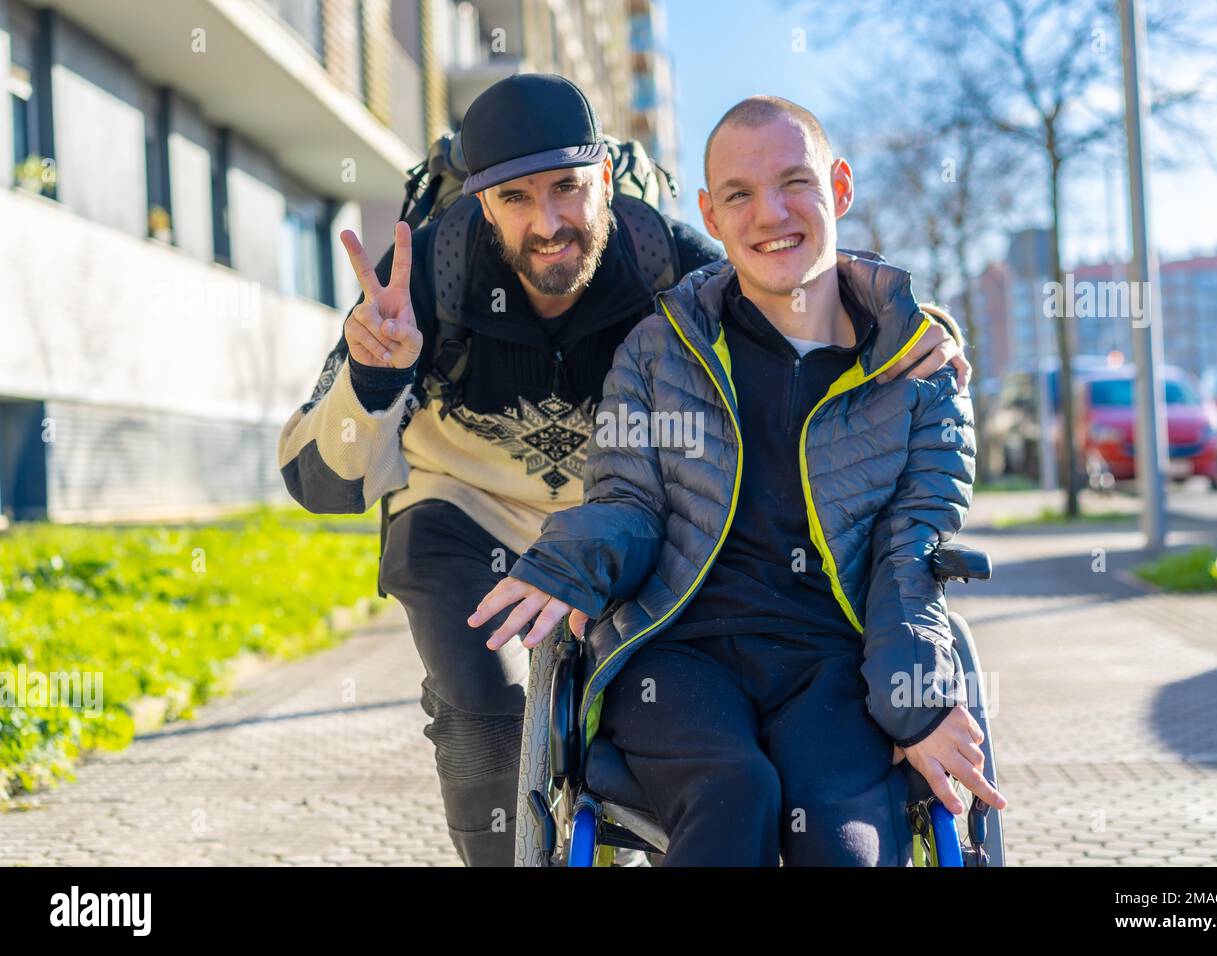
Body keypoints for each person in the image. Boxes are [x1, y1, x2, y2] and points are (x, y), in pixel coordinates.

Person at [280, 75, 970, 867]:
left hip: (621, 522)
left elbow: (784, 271)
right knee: (489, 712)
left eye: (569, 188)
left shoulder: (662, 259)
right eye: (514, 199)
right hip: (465, 514)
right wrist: (376, 379)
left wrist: (913, 322)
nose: (548, 224)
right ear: (479, 203)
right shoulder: (424, 277)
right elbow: (320, 486)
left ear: (605, 178)